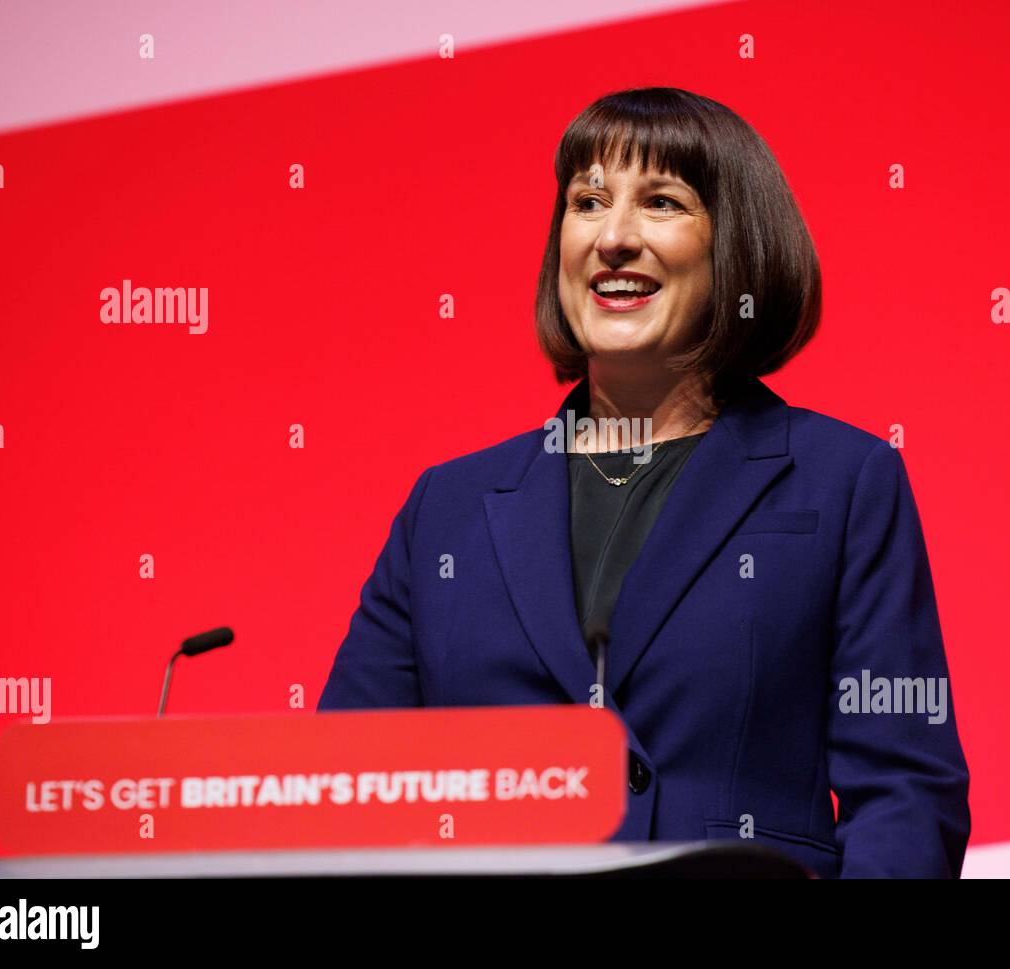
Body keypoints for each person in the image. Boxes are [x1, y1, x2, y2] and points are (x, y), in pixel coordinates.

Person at [319, 87, 970, 878]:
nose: (614, 237)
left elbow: (904, 794)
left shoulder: (842, 483)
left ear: (737, 248)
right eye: (587, 201)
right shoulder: (446, 508)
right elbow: (344, 795)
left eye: (662, 203)